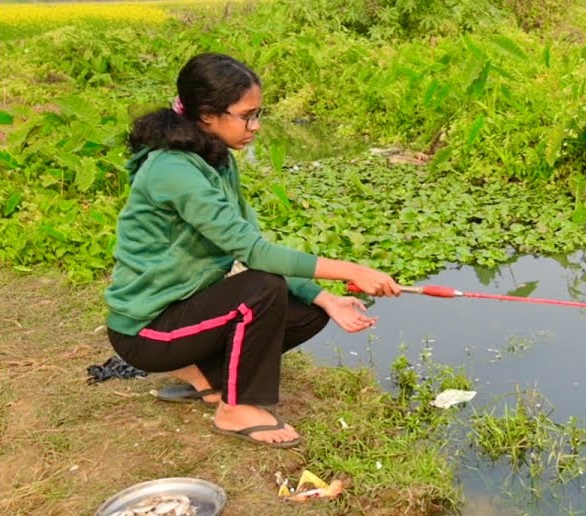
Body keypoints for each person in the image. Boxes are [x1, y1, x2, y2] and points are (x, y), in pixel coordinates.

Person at [104, 52, 402, 449]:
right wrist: (350, 270)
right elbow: (256, 255)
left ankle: (211, 378)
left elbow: (252, 240)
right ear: (208, 115)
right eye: (247, 115)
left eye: (259, 113)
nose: (256, 126)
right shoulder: (174, 171)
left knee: (308, 312)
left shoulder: (216, 159)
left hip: (183, 307)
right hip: (146, 331)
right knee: (261, 288)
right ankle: (235, 408)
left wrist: (326, 296)